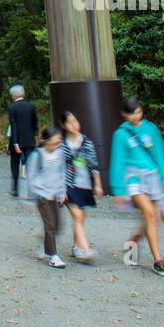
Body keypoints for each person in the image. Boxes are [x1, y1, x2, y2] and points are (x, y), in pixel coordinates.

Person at [108, 95, 164, 277]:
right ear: (124, 114)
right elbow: (118, 160)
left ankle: (134, 241)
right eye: (131, 114)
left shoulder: (150, 128)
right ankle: (158, 260)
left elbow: (159, 153)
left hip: (152, 176)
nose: (135, 116)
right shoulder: (120, 134)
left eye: (138, 112)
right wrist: (118, 190)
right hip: (133, 178)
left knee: (155, 218)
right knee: (150, 215)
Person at [60, 110, 103, 261]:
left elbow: (94, 165)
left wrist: (98, 185)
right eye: (70, 122)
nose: (74, 125)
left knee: (80, 218)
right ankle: (85, 249)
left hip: (84, 184)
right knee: (77, 216)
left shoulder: (86, 141)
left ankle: (76, 247)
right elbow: (57, 167)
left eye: (75, 121)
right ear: (64, 125)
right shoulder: (61, 143)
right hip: (68, 184)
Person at [26, 126, 68, 267]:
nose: (57, 145)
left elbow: (62, 173)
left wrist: (62, 192)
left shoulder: (60, 153)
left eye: (59, 142)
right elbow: (29, 177)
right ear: (45, 141)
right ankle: (53, 256)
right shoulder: (37, 156)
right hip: (41, 195)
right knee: (50, 225)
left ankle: (45, 247)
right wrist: (30, 199)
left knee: (57, 225)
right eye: (55, 142)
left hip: (55, 194)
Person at [7, 85, 38, 196]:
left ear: (13, 95)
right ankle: (31, 188)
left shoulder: (12, 107)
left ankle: (15, 187)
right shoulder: (31, 106)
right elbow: (35, 122)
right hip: (29, 140)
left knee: (15, 164)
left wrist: (15, 142)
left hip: (17, 140)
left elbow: (13, 125)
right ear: (23, 94)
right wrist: (34, 135)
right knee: (30, 164)